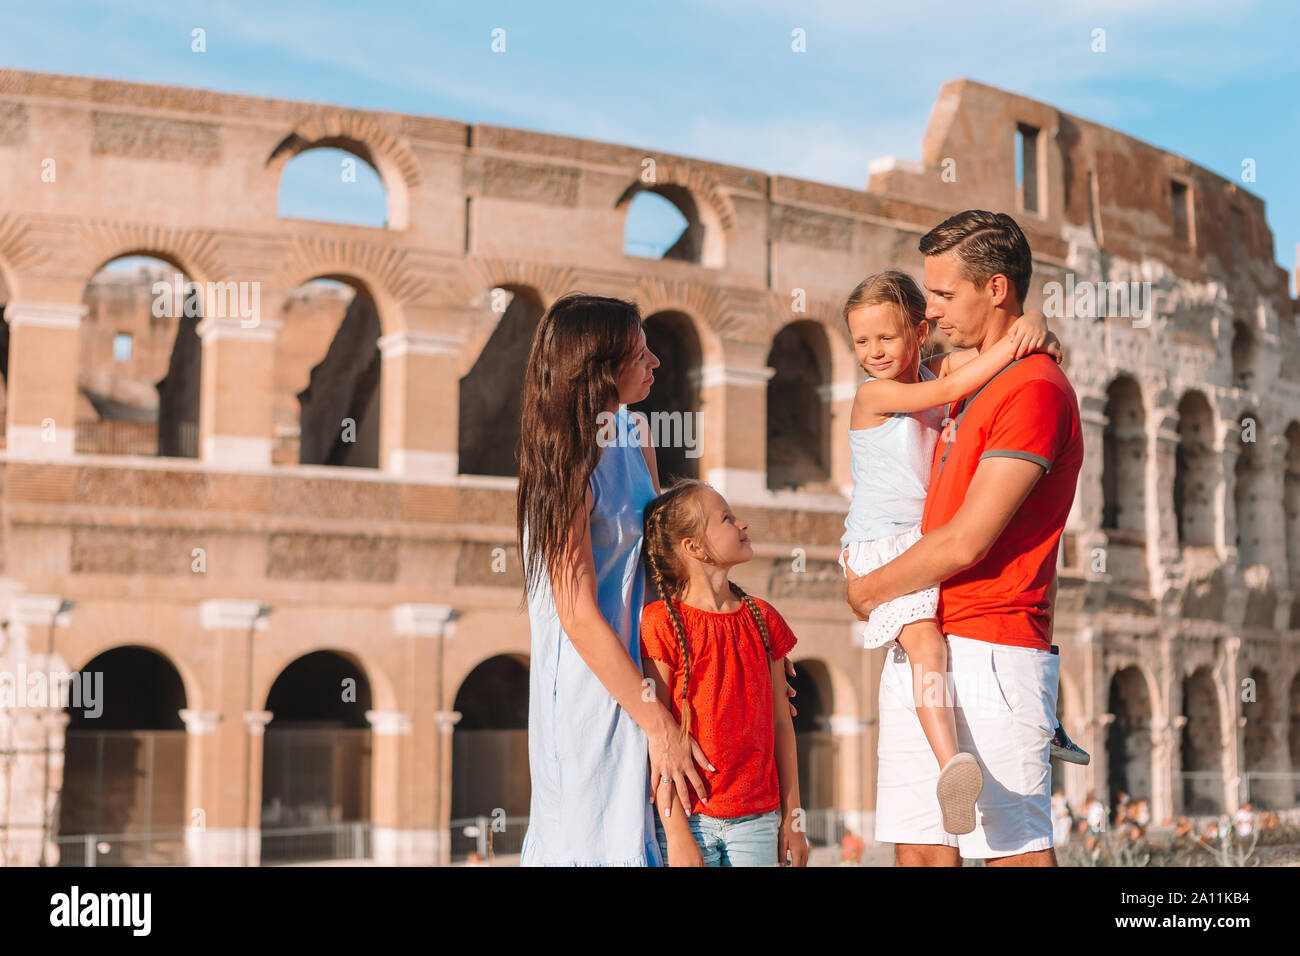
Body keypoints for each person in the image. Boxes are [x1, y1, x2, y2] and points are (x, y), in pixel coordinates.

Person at [845, 210, 1085, 866]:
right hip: (923, 634)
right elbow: (952, 371)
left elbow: (967, 541)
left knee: (1015, 857)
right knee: (920, 852)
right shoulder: (960, 381)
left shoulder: (1033, 389)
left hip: (991, 648)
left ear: (997, 289)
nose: (931, 308)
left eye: (946, 294)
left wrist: (867, 590)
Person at [516, 293, 709, 866]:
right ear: (600, 368)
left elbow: (662, 567)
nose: (655, 362)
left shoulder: (636, 432)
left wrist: (735, 638)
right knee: (595, 837)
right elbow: (574, 612)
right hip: (588, 682)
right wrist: (659, 725)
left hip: (646, 663)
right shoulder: (563, 456)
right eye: (640, 352)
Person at [639, 479, 809, 867]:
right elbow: (658, 741)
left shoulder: (764, 620)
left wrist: (793, 821)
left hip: (758, 821)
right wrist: (677, 837)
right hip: (690, 821)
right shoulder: (661, 623)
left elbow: (783, 726)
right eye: (727, 519)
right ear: (694, 547)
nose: (743, 525)